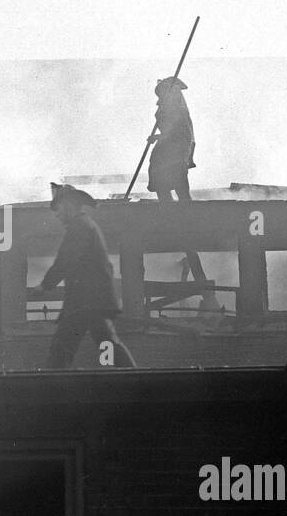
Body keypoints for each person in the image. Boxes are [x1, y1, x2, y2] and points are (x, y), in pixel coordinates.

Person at [29, 183, 137, 369]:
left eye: (59, 208)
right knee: (106, 342)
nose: (57, 214)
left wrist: (45, 285)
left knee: (62, 347)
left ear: (69, 205)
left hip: (85, 301)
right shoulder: (86, 225)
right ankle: (130, 377)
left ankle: (50, 386)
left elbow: (65, 260)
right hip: (91, 301)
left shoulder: (79, 227)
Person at [146, 76, 217, 310]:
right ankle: (171, 205)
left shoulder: (175, 106)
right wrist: (159, 136)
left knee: (170, 174)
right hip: (172, 148)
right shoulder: (169, 105)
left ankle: (177, 207)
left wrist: (159, 137)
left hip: (174, 149)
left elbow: (175, 129)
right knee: (163, 175)